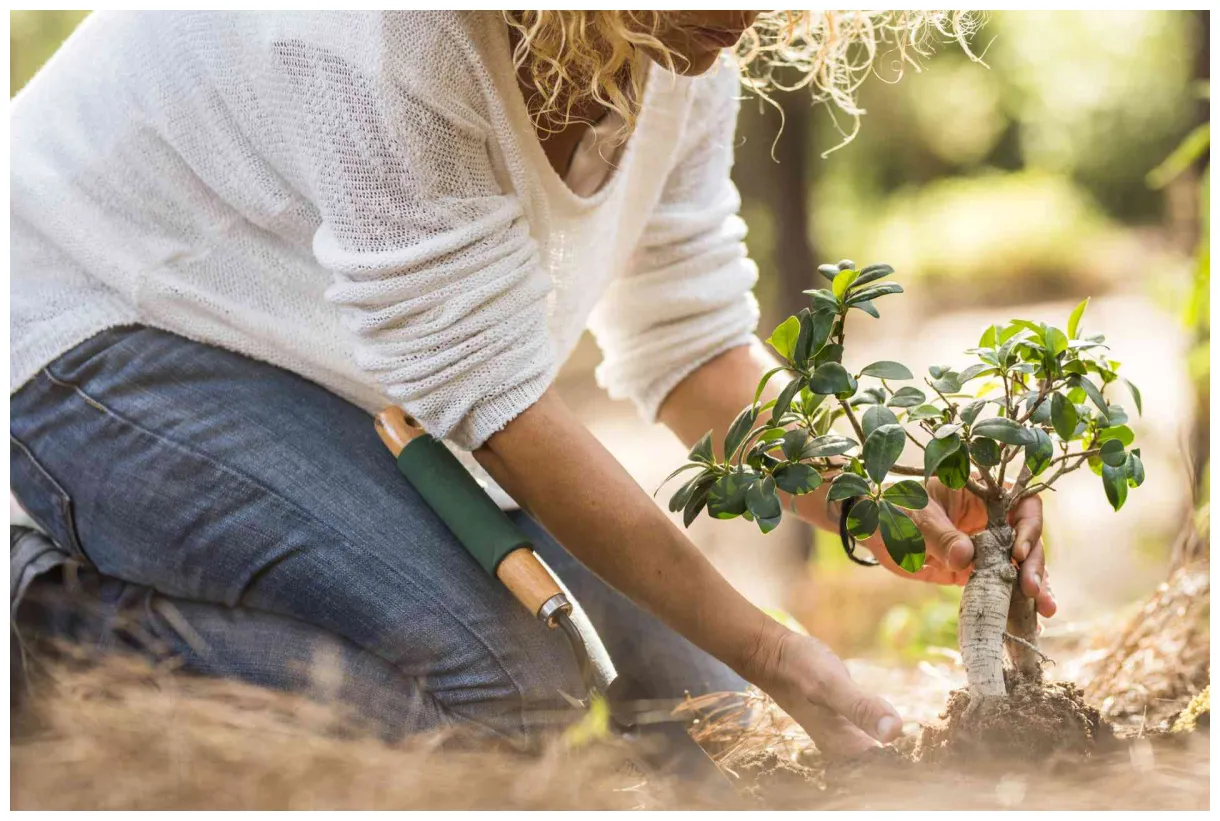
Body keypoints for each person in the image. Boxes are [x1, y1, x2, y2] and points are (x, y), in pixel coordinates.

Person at [9, 10, 1054, 757]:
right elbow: (497, 407)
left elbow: (690, 347)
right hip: (97, 329)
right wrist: (779, 651)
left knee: (698, 729)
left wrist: (885, 501)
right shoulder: (385, 35)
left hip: (342, 376)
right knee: (507, 711)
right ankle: (49, 627)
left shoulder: (683, 48)